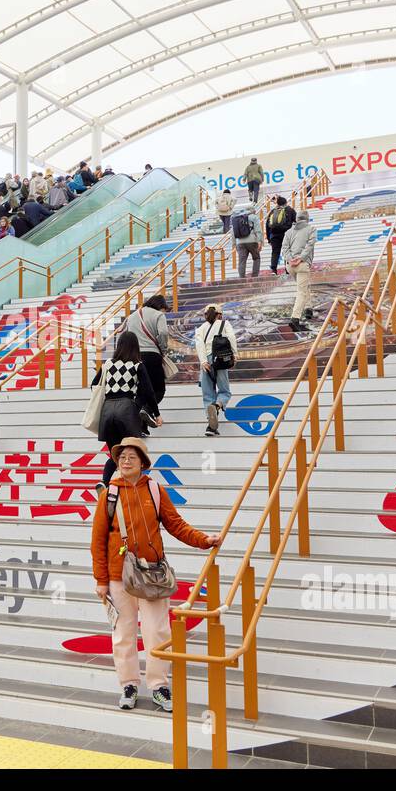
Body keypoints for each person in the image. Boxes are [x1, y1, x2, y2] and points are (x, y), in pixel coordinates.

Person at [90, 437, 220, 712]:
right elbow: (98, 540)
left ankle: (159, 685)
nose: (125, 461)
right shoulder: (109, 495)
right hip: (118, 576)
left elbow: (176, 525)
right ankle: (128, 684)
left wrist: (203, 540)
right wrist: (101, 580)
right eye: (122, 457)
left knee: (157, 632)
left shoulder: (155, 490)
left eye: (131, 458)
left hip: (152, 574)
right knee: (123, 633)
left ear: (143, 463)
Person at [93, 333, 161, 486]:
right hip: (127, 409)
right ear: (135, 346)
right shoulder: (137, 365)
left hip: (107, 410)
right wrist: (155, 413)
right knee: (132, 452)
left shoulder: (108, 364)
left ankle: (104, 483)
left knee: (115, 455)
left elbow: (94, 385)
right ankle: (132, 485)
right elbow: (148, 391)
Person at [195, 304, 238, 437]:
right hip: (220, 359)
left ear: (206, 315)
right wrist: (235, 354)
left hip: (207, 361)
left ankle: (211, 426)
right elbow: (231, 338)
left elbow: (199, 344)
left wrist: (203, 361)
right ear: (220, 314)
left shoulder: (201, 328)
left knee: (208, 393)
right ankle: (217, 406)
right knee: (224, 390)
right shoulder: (225, 324)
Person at [124, 294, 171, 410]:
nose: (164, 312)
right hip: (152, 355)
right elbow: (164, 333)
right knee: (159, 390)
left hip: (134, 357)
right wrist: (163, 349)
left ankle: (141, 424)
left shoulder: (131, 316)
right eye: (164, 310)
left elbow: (125, 336)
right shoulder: (158, 315)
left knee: (141, 391)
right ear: (160, 306)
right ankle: (147, 410)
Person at [284, 210, 316, 332]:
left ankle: (308, 309)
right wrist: (300, 258)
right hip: (302, 264)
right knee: (301, 291)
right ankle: (295, 319)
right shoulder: (311, 229)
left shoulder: (289, 232)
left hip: (290, 265)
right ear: (307, 219)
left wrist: (290, 260)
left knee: (303, 286)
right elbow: (310, 245)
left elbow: (285, 248)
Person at [266, 195, 295, 274]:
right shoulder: (290, 210)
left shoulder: (272, 211)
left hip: (274, 235)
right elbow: (296, 221)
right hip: (286, 234)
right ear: (285, 202)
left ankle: (273, 269)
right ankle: (287, 269)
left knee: (275, 252)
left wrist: (268, 238)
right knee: (286, 251)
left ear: (277, 203)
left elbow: (267, 226)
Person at [234, 206, 261, 277]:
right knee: (256, 258)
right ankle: (255, 276)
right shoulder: (254, 217)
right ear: (253, 211)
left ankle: (242, 277)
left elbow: (232, 232)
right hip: (252, 241)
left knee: (242, 261)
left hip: (240, 242)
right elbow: (258, 230)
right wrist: (259, 241)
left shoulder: (237, 218)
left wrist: (234, 244)